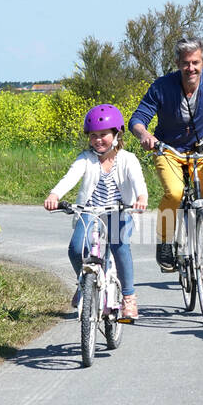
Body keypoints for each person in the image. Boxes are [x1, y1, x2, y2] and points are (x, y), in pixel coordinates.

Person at [129, 37, 203, 282]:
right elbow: (137, 118)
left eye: (195, 62)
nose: (190, 68)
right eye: (185, 63)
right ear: (177, 64)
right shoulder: (162, 86)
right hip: (168, 150)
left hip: (201, 151)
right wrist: (145, 134)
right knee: (173, 193)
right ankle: (165, 243)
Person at [44, 104, 148, 322]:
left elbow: (138, 181)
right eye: (93, 136)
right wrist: (55, 194)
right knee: (75, 249)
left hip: (119, 211)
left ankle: (128, 297)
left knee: (119, 246)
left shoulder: (128, 159)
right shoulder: (86, 159)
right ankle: (84, 283)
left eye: (103, 135)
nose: (98, 140)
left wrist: (141, 198)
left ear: (117, 134)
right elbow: (70, 177)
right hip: (89, 211)